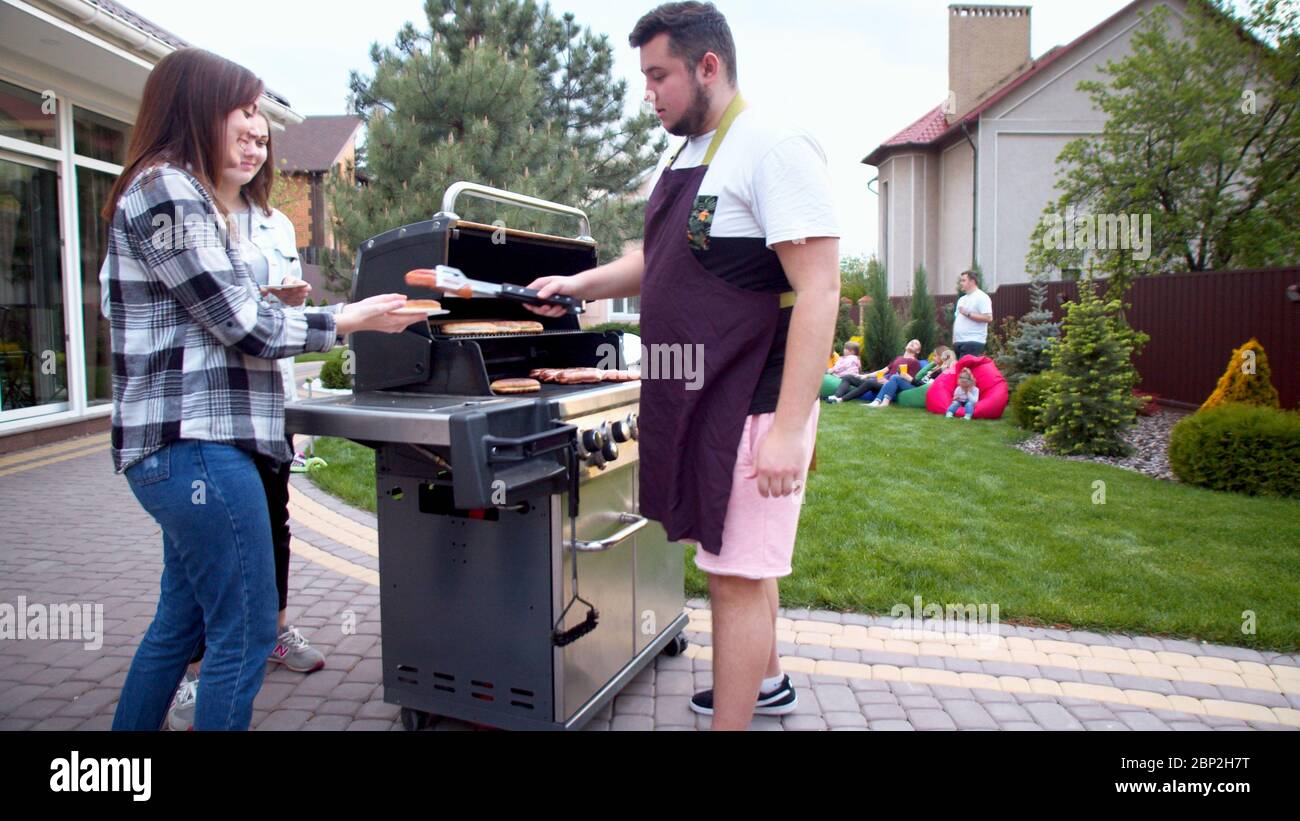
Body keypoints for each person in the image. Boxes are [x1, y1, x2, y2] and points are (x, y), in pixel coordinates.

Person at [525, 2, 840, 730]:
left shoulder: (773, 145)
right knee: (740, 563)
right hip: (699, 395)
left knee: (735, 577)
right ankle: (767, 683)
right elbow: (656, 262)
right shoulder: (688, 154)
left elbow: (820, 288)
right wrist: (579, 285)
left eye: (658, 75)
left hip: (753, 401)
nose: (648, 92)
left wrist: (792, 429)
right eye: (644, 77)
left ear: (708, 66)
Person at [104, 48, 411, 731]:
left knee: (178, 628)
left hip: (187, 451)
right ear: (194, 108)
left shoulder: (184, 194)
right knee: (242, 632)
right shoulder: (166, 190)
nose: (257, 129)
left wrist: (266, 300)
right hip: (196, 447)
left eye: (260, 119)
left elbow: (211, 313)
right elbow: (239, 322)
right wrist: (351, 317)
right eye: (243, 112)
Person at [163, 111, 337, 730]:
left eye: (262, 141)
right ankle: (192, 671)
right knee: (200, 557)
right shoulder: (184, 211)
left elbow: (257, 310)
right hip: (206, 416)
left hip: (266, 400)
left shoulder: (274, 221)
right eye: (242, 137)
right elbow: (222, 315)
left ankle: (276, 632)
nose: (253, 150)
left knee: (275, 519)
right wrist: (332, 317)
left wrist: (288, 298)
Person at [829, 338, 923, 403]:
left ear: (918, 351)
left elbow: (906, 379)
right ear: (906, 345)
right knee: (848, 377)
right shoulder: (898, 358)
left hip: (890, 387)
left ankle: (841, 400)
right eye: (911, 342)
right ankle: (836, 395)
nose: (912, 343)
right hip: (880, 383)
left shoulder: (915, 363)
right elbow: (883, 371)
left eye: (915, 344)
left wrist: (889, 382)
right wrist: (865, 375)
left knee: (870, 383)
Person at [866, 344, 956, 408]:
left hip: (918, 389)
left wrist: (908, 378)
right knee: (895, 377)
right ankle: (879, 401)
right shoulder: (935, 368)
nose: (933, 358)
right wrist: (933, 365)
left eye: (935, 356)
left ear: (942, 357)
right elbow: (921, 375)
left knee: (896, 378)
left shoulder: (942, 371)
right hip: (916, 386)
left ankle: (881, 402)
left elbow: (925, 386)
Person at [953, 269, 993, 359]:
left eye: (963, 280)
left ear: (972, 281)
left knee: (965, 371)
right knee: (961, 371)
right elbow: (957, 320)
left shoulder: (982, 297)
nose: (961, 283)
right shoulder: (962, 299)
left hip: (973, 341)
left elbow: (988, 318)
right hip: (959, 342)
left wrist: (967, 313)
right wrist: (954, 340)